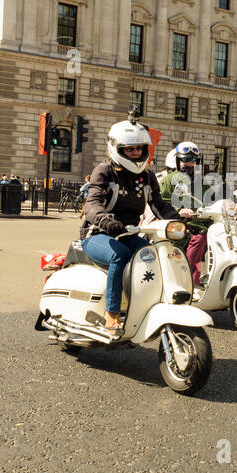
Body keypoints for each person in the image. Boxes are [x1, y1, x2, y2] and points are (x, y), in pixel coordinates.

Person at [80, 119, 192, 333]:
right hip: (97, 233)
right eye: (129, 148)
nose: (135, 152)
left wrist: (179, 219)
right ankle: (111, 313)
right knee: (119, 254)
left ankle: (144, 303)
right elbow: (92, 204)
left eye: (139, 148)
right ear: (117, 148)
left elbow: (158, 205)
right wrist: (106, 221)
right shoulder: (105, 171)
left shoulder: (147, 175)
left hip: (128, 232)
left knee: (151, 253)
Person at [160, 141, 210, 284]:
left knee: (200, 239)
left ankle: (192, 282)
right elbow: (161, 202)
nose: (189, 163)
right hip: (175, 224)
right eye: (185, 159)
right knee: (172, 254)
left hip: (198, 225)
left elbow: (213, 199)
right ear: (178, 160)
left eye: (193, 160)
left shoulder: (203, 182)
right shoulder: (168, 180)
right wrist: (179, 211)